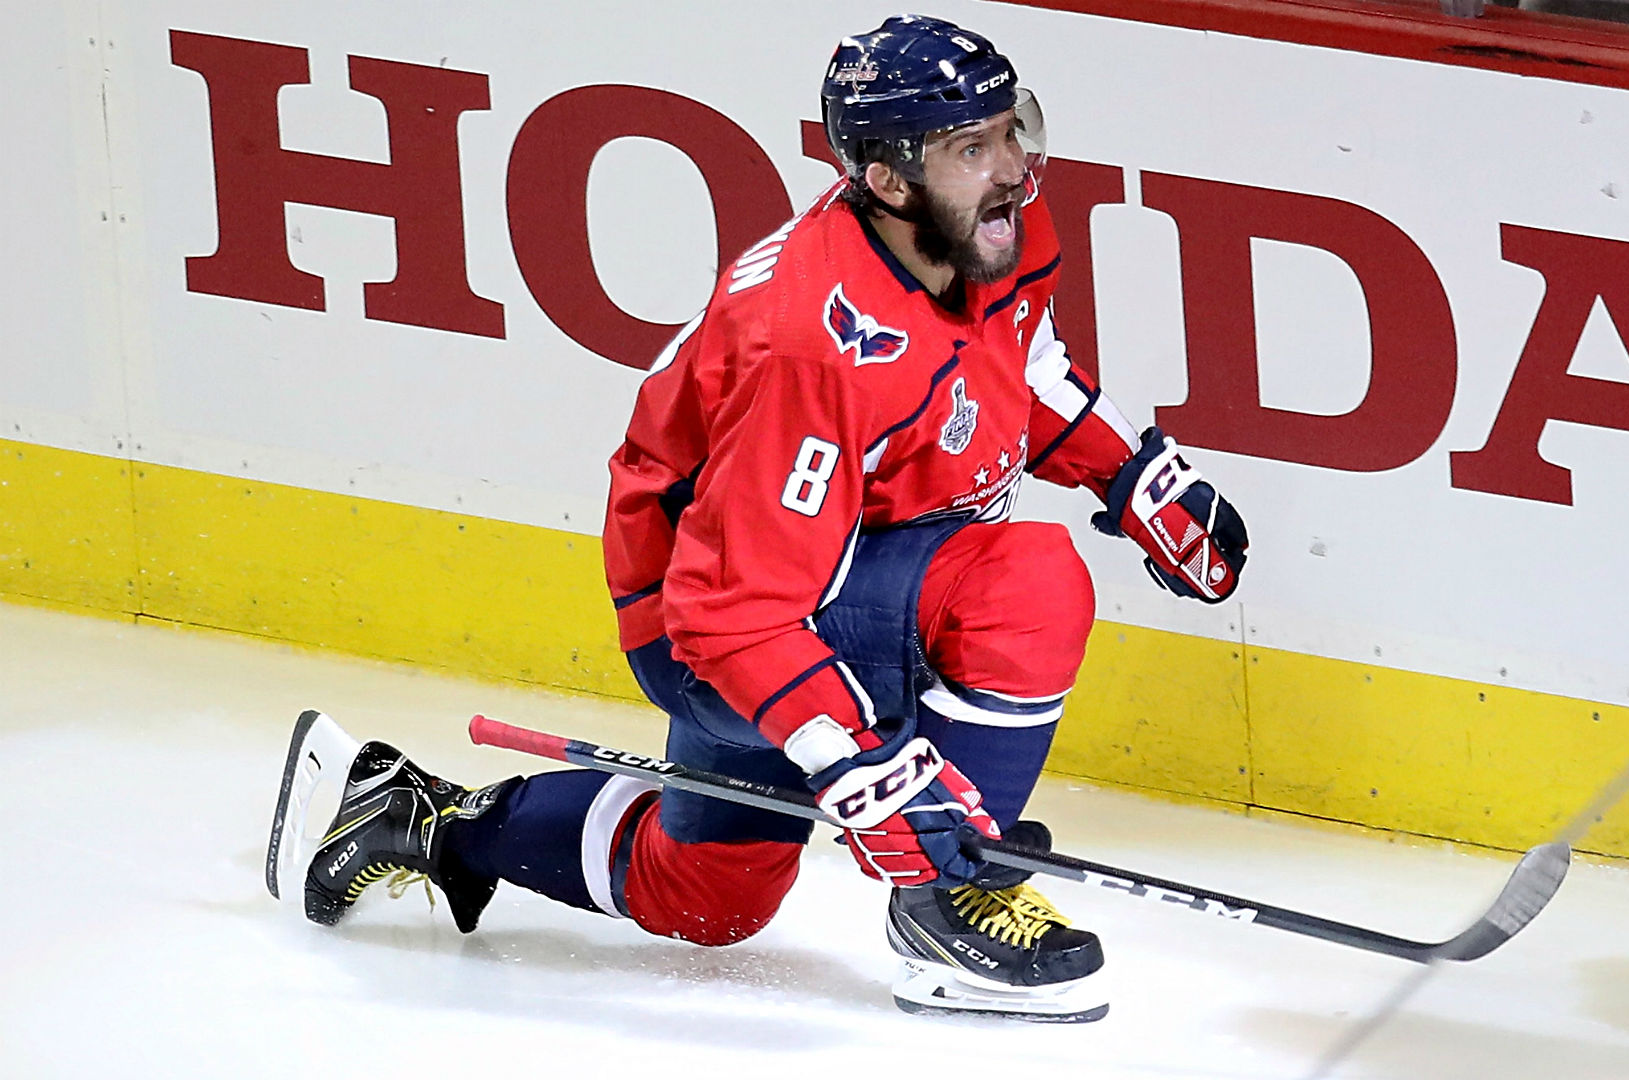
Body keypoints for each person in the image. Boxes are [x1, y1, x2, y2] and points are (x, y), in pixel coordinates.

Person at [268, 14, 1248, 1023]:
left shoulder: (990, 227)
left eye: (1012, 131)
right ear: (888, 179)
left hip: (824, 579)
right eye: (972, 148)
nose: (1012, 170)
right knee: (1026, 584)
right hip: (720, 624)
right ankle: (948, 897)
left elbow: (1012, 363)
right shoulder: (810, 344)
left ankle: (422, 816)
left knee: (710, 900)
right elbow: (730, 611)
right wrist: (860, 766)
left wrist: (1130, 474)